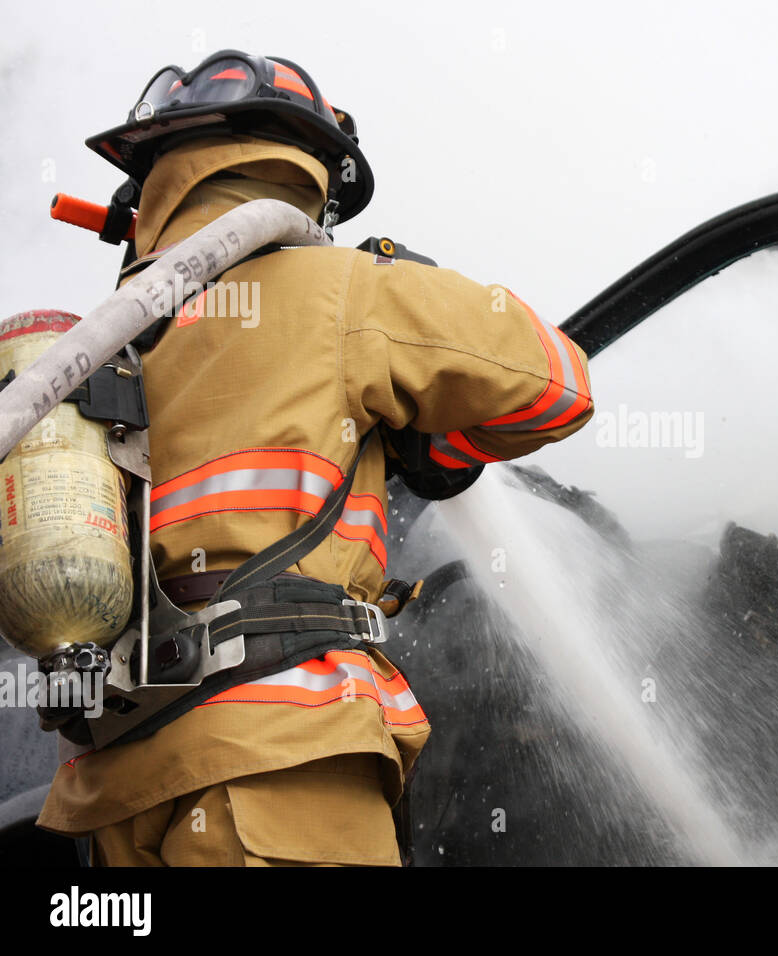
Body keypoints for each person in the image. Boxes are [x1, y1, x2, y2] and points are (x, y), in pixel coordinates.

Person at [34, 49, 594, 866]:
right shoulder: (345, 291)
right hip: (276, 759)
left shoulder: (89, 352)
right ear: (314, 175)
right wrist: (430, 438)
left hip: (118, 792)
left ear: (151, 181)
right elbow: (559, 385)